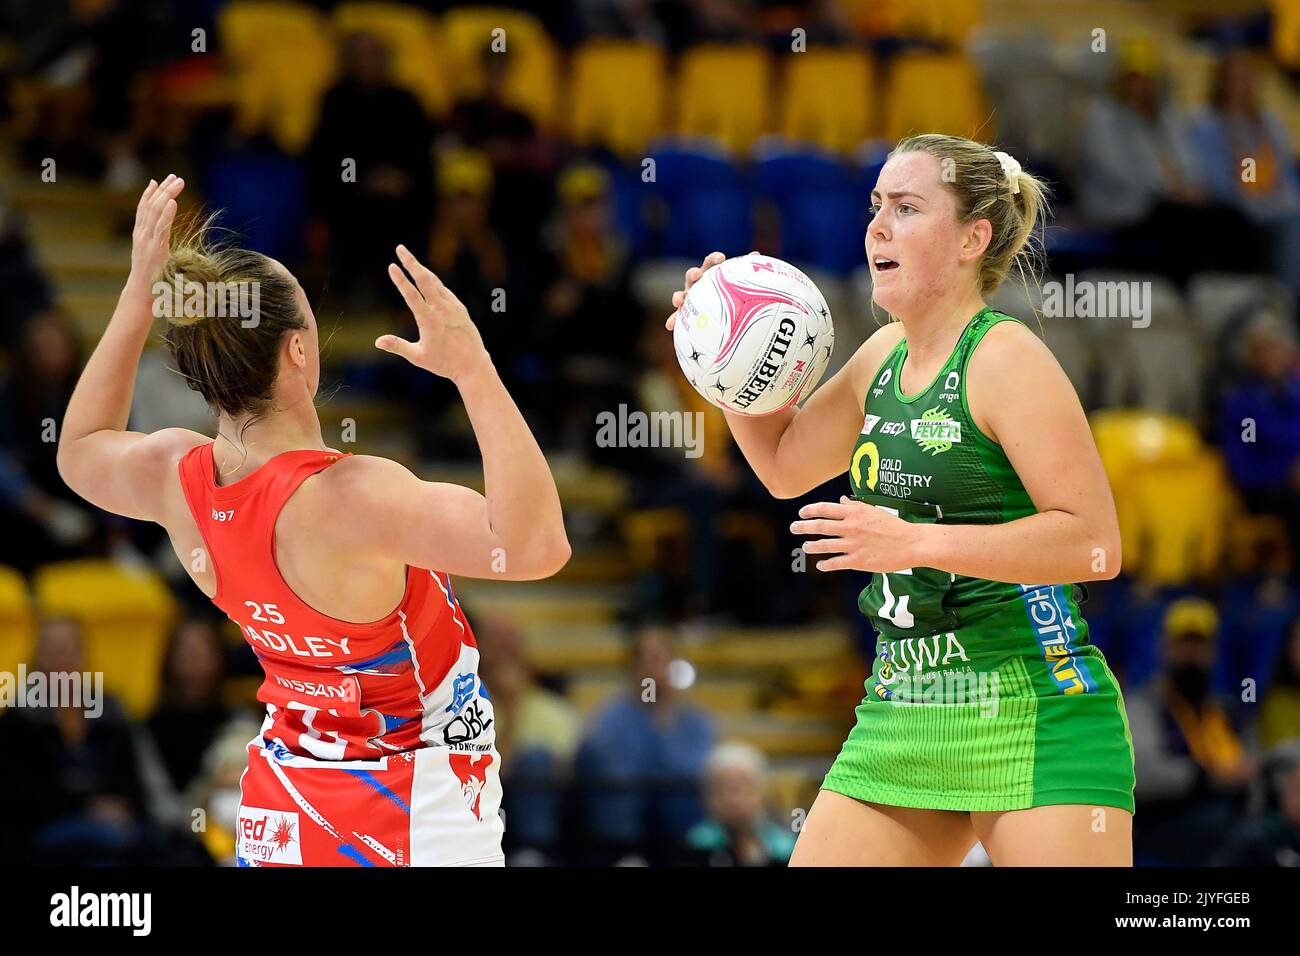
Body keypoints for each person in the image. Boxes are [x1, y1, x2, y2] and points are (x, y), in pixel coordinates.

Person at [56, 175, 570, 866]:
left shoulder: (177, 479)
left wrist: (137, 295)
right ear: (298, 350)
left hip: (281, 806)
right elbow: (535, 546)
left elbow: (80, 450)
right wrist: (473, 369)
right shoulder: (352, 498)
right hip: (411, 809)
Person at [666, 134, 1135, 865]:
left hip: (1031, 698)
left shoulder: (1007, 358)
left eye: (908, 209)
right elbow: (785, 467)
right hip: (906, 699)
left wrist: (914, 542)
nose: (878, 226)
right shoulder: (881, 356)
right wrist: (725, 363)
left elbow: (1094, 545)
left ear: (971, 240)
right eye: (877, 206)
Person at [1126, 598, 1255, 865]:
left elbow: (1252, 760)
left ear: (1213, 651)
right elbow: (1139, 772)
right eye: (1184, 645)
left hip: (1225, 819)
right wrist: (1206, 777)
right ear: (1165, 648)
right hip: (1163, 824)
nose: (1192, 654)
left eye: (1200, 645)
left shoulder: (1224, 708)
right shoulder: (1144, 703)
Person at [683, 740, 796, 866]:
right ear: (708, 796)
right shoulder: (696, 846)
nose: (733, 799)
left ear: (762, 793)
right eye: (722, 788)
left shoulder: (784, 848)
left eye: (743, 787)